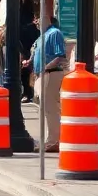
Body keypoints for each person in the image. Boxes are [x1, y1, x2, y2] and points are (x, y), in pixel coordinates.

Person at [26, 15, 68, 152]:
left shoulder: (54, 33)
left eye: (38, 18)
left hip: (50, 74)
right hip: (42, 74)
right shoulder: (42, 36)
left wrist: (46, 68)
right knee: (46, 109)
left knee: (50, 109)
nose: (35, 22)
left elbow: (60, 55)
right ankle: (51, 139)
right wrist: (30, 62)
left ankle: (54, 140)